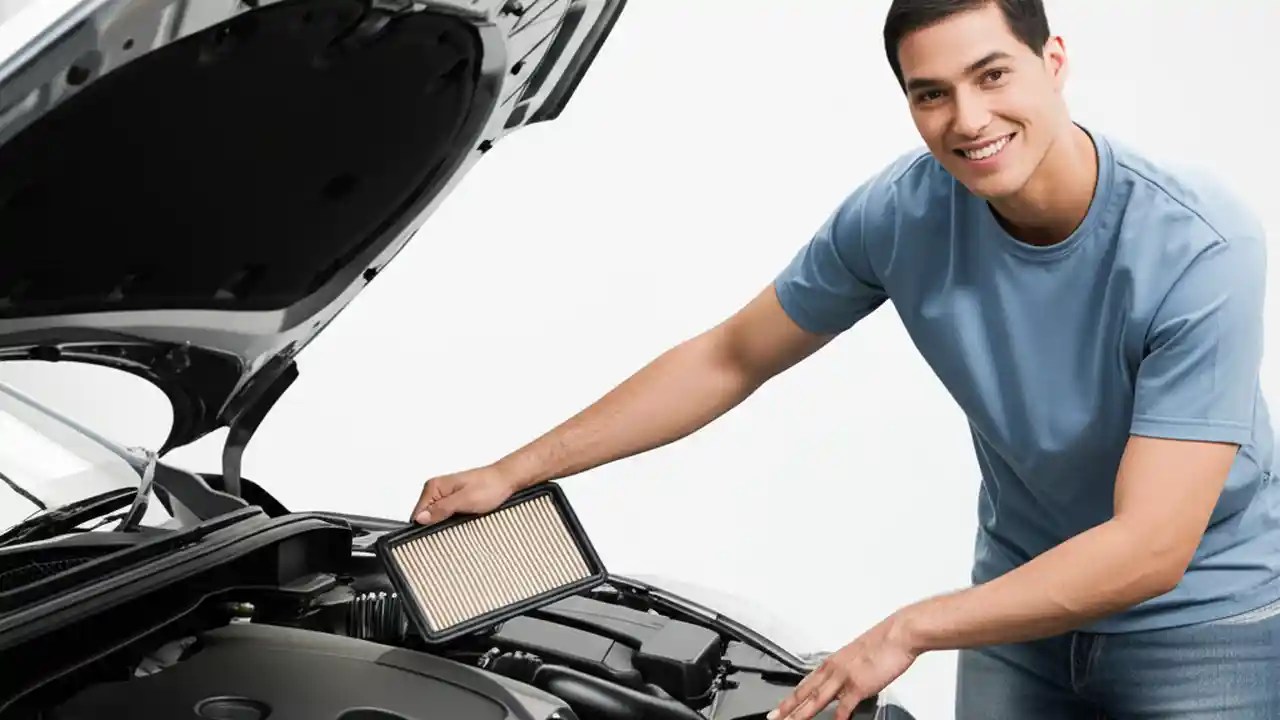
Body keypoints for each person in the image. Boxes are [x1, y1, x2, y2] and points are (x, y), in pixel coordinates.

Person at [411, 0, 1278, 717]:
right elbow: (729, 356)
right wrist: (513, 471)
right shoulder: (901, 214)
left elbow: (1150, 547)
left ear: (1053, 60)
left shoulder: (1200, 246)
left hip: (1207, 629)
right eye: (931, 93)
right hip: (1018, 621)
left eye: (992, 75)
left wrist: (909, 629)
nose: (968, 121)